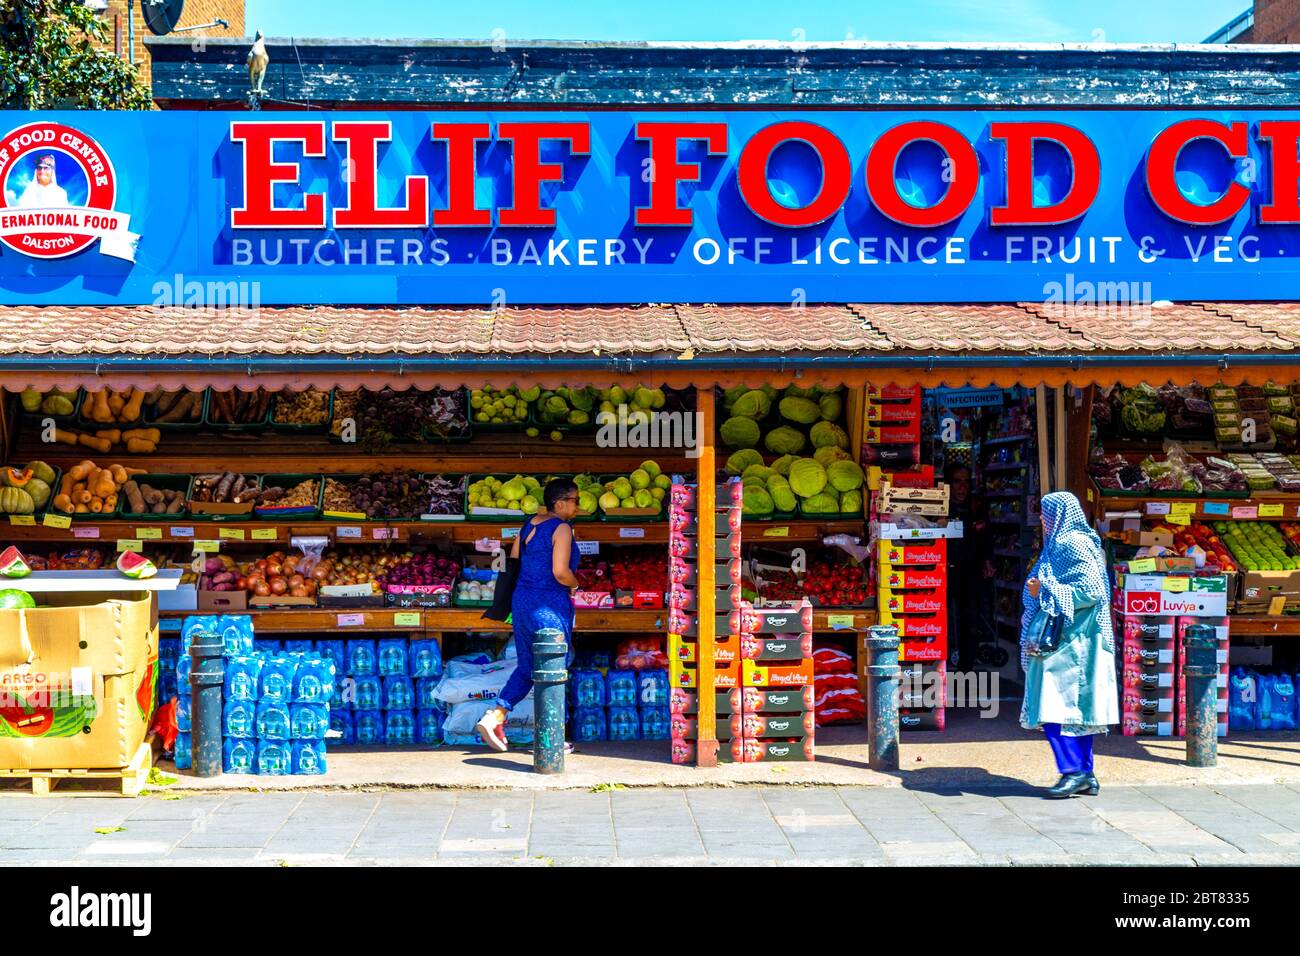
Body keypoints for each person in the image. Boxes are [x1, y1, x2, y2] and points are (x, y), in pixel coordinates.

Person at [1019, 491, 1119, 799]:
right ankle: (1086, 773)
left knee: (1053, 708)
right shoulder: (1072, 542)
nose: (1041, 519)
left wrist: (1044, 589)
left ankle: (1073, 771)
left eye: (1045, 512)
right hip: (1075, 640)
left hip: (1069, 641)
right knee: (1078, 713)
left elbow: (1090, 590)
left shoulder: (1070, 544)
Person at [476, 477, 582, 752]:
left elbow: (513, 561)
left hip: (522, 602)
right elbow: (560, 572)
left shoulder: (528, 526)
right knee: (553, 667)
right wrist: (576, 583)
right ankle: (550, 738)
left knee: (528, 666)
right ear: (560, 503)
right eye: (575, 501)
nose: (578, 507)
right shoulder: (562, 529)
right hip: (548, 605)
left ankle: (494, 716)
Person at [944, 462, 992, 671]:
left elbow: (987, 536)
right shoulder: (940, 505)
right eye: (956, 482)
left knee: (970, 618)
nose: (962, 487)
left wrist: (988, 560)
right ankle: (940, 662)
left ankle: (966, 667)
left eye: (965, 482)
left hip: (970, 570)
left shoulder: (976, 506)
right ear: (948, 484)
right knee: (941, 617)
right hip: (943, 568)